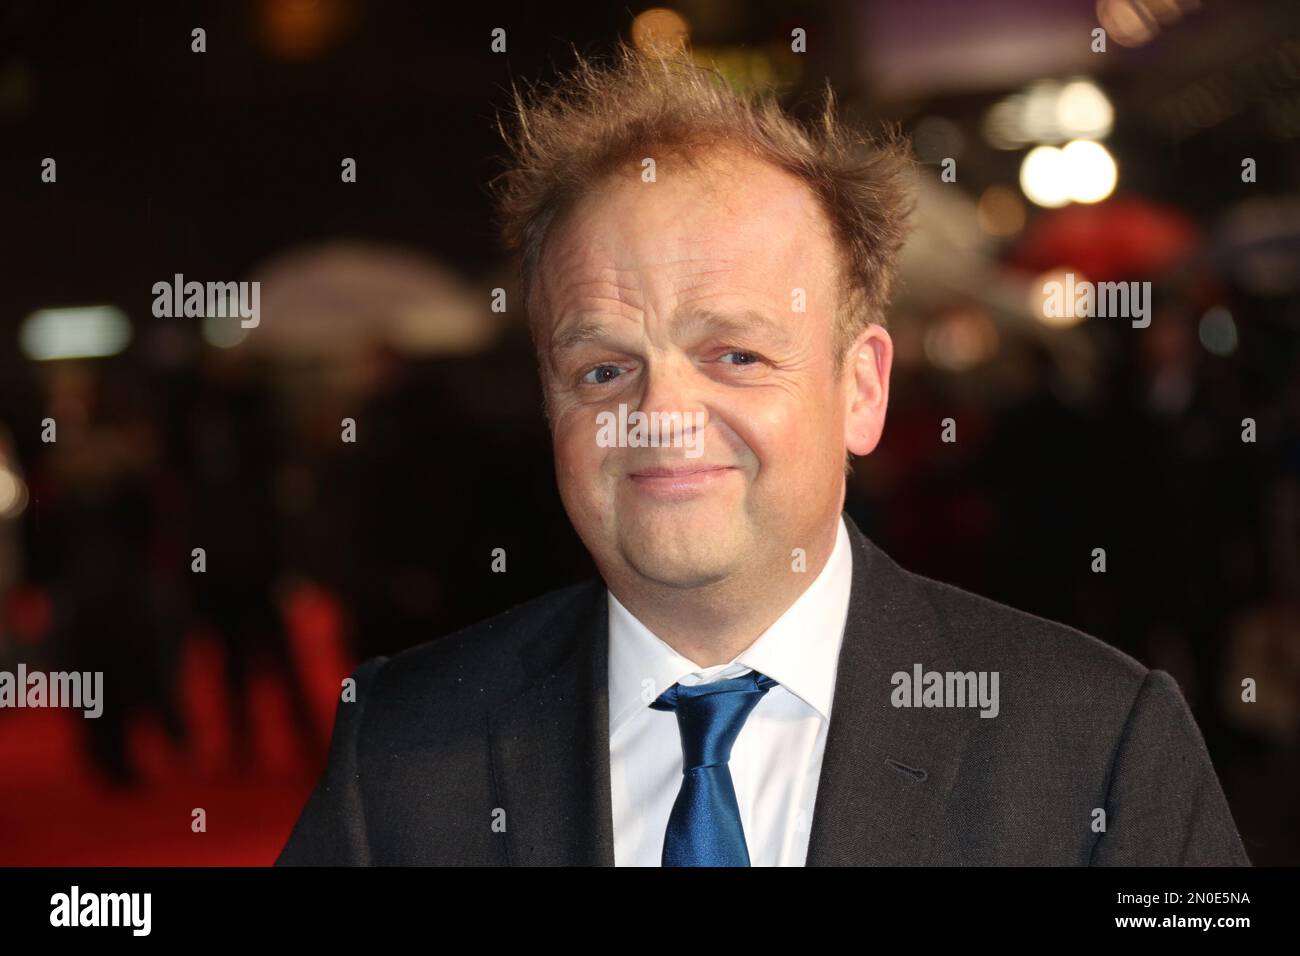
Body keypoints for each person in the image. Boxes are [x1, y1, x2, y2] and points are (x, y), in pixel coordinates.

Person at [276, 44, 1250, 866]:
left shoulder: (1097, 744)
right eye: (605, 369)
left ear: (861, 388)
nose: (661, 413)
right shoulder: (399, 751)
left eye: (733, 354)